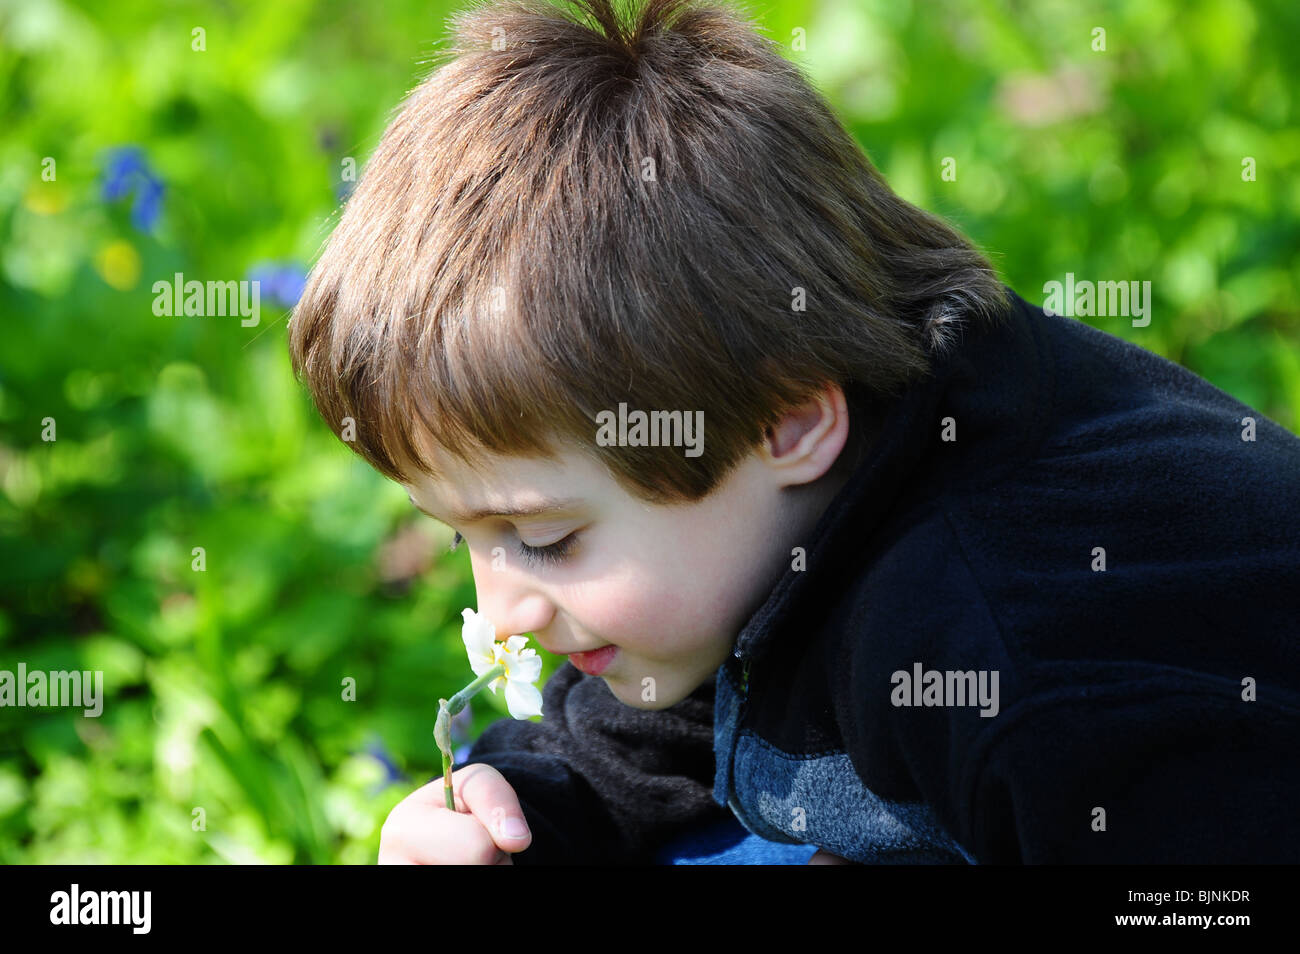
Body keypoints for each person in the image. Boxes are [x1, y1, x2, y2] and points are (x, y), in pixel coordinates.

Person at [288, 0, 1300, 864]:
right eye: (463, 534)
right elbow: (659, 724)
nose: (499, 610)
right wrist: (526, 811)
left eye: (546, 538)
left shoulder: (1007, 663)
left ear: (790, 422)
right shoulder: (780, 510)